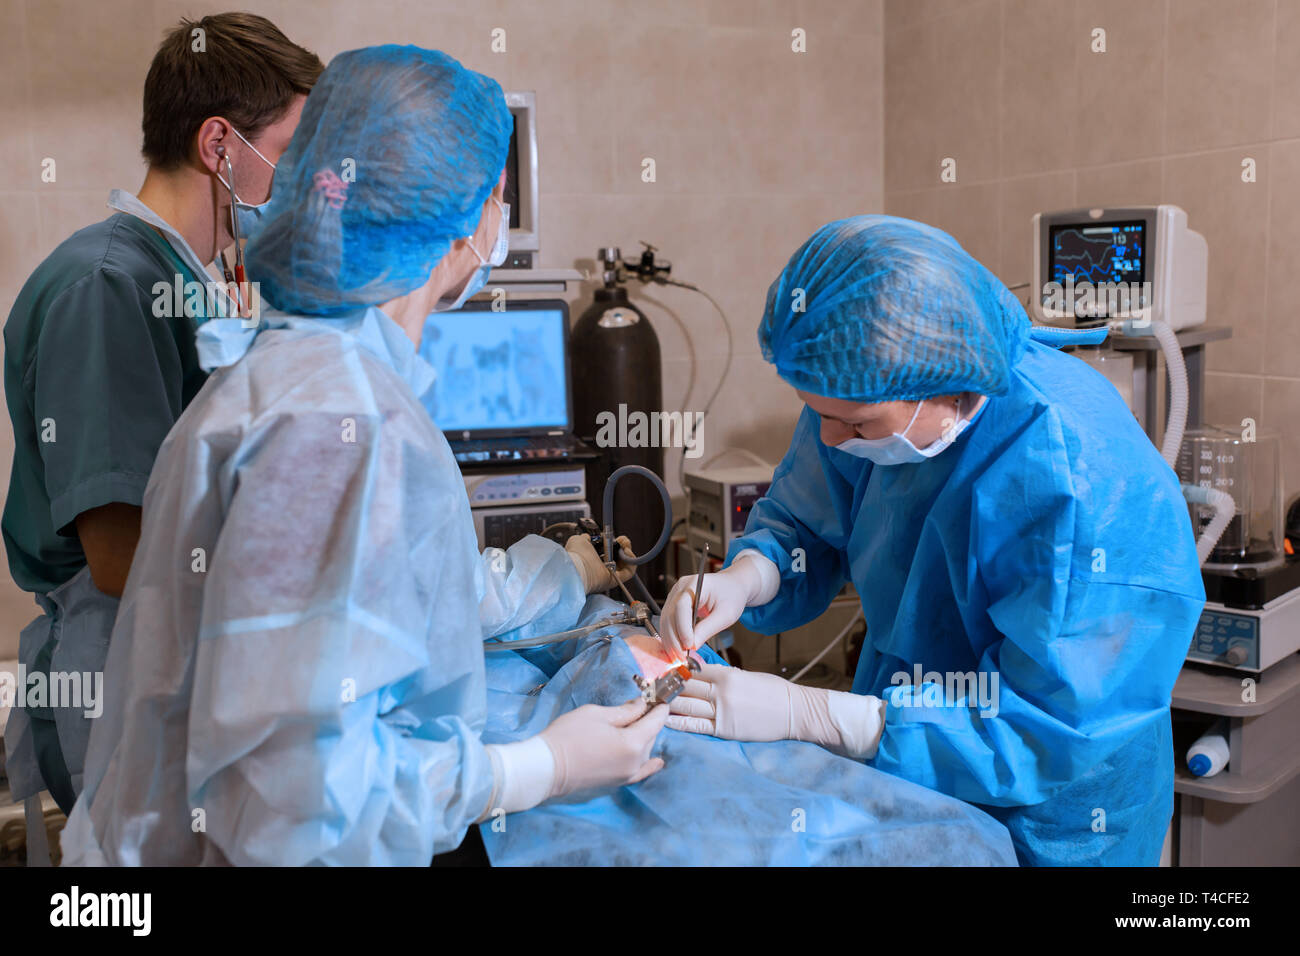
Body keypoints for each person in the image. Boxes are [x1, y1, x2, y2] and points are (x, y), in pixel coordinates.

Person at [61, 45, 666, 867]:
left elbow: (375, 596)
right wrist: (538, 767)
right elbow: (295, 804)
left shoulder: (283, 373)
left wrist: (567, 575)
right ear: (477, 215)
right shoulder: (341, 422)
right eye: (496, 197)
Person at [658, 215, 1205, 866]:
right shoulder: (866, 389)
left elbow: (1044, 729)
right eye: (820, 415)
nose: (831, 439)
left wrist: (813, 716)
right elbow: (808, 517)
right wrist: (748, 576)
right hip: (906, 756)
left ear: (946, 385)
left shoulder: (1078, 481)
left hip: (1057, 819)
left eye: (852, 422)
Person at [3, 13, 323, 822]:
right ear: (220, 145)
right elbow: (119, 556)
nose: (297, 185)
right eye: (286, 155)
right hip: (123, 672)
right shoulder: (106, 285)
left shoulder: (193, 285)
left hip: (179, 657)